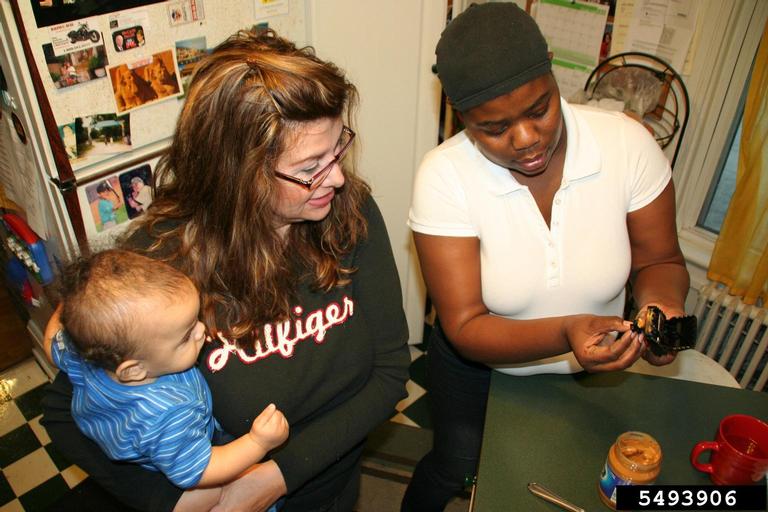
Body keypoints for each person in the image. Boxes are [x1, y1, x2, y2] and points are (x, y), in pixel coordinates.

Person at [42, 27, 410, 512]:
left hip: (331, 486)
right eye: (310, 166)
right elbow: (65, 415)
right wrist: (174, 502)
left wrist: (277, 477)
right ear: (237, 171)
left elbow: (389, 373)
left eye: (337, 148)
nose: (338, 178)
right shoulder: (158, 264)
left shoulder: (350, 214)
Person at [401, 4, 689, 511]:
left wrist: (660, 308)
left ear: (552, 70)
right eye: (493, 128)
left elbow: (660, 261)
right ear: (458, 112)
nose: (526, 140)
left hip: (596, 368)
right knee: (458, 468)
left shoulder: (625, 145)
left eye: (539, 110)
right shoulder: (444, 177)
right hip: (479, 372)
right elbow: (466, 324)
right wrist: (566, 333)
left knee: (571, 471)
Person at [45, 249, 288, 510]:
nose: (202, 331)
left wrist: (77, 303)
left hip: (106, 428)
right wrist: (258, 443)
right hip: (175, 456)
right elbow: (202, 469)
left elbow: (51, 343)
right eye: (185, 336)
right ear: (134, 370)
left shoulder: (83, 349)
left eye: (195, 319)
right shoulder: (168, 413)